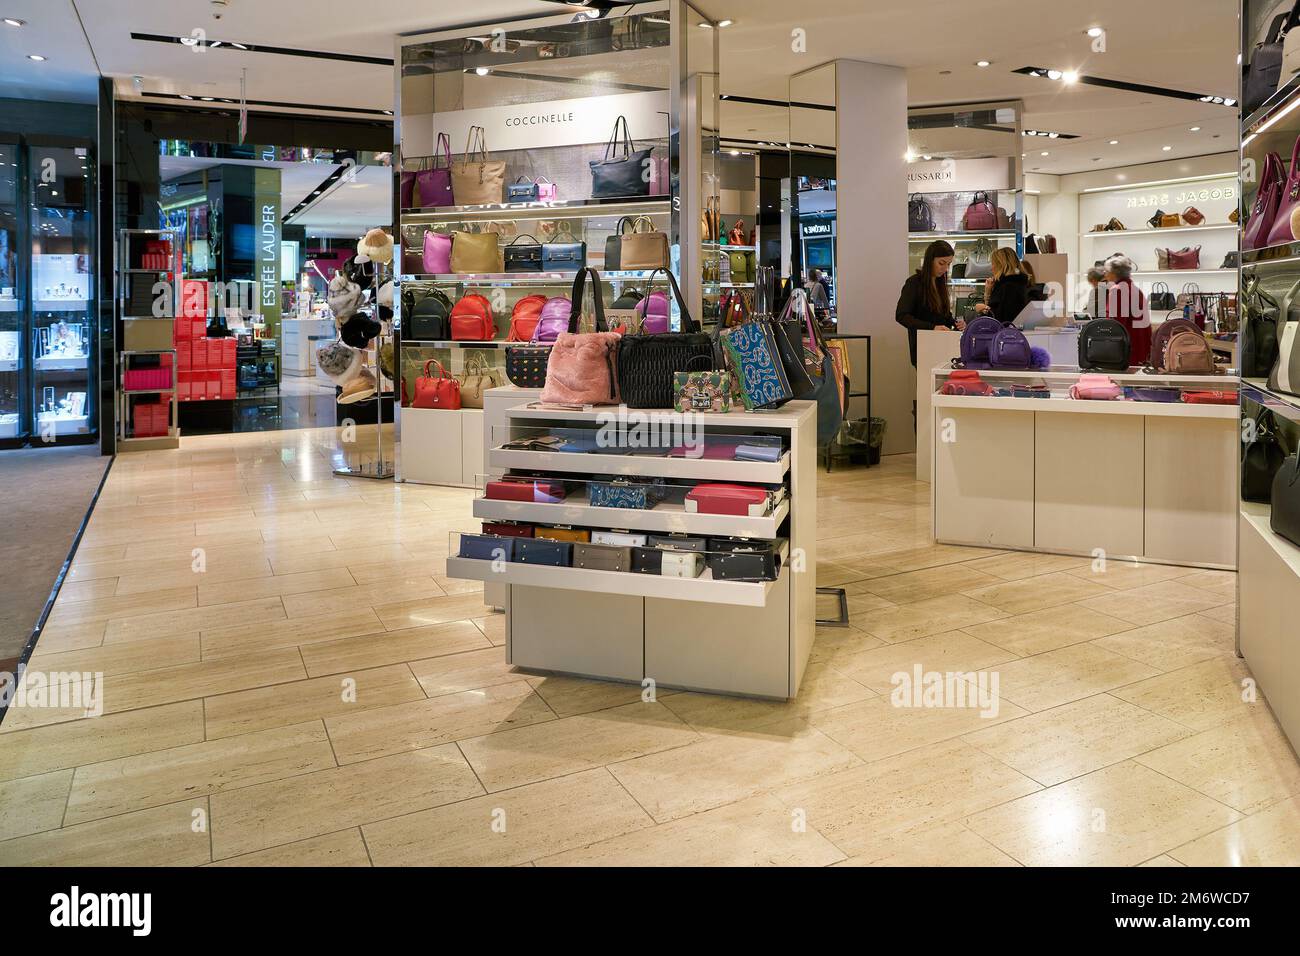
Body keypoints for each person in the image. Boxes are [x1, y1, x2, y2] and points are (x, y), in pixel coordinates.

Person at [896, 239, 962, 366]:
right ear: (930, 260)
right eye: (941, 263)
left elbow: (943, 315)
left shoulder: (939, 283)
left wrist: (956, 323)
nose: (945, 269)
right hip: (923, 348)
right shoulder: (914, 283)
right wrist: (932, 328)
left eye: (948, 264)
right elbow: (901, 315)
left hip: (942, 348)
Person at [1103, 255, 1150, 366]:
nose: (1104, 274)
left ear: (1114, 273)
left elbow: (1116, 323)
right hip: (1141, 345)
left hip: (1126, 347)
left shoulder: (1117, 290)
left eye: (1106, 271)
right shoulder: (1136, 289)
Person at [975, 247, 1033, 324]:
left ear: (1000, 265)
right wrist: (988, 294)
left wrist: (982, 309)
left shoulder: (1006, 286)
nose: (991, 268)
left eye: (993, 264)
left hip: (1004, 333)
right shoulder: (1022, 283)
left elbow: (997, 319)